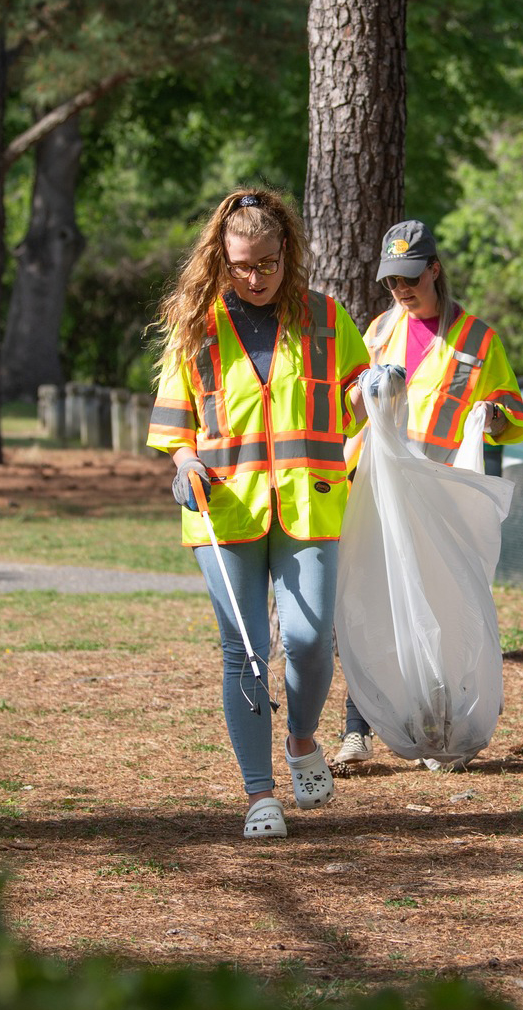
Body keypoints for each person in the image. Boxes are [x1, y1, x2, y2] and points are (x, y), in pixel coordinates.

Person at [145, 187, 372, 839]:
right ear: (221, 257)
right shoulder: (197, 325)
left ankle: (302, 739)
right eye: (242, 265)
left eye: (267, 264)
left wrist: (374, 389)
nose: (255, 277)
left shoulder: (327, 318)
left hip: (311, 502)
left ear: (287, 254)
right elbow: (175, 425)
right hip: (225, 511)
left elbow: (359, 390)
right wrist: (184, 465)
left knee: (305, 638)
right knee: (245, 650)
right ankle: (259, 794)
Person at [332, 219, 523, 771]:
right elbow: (350, 407)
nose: (401, 290)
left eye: (410, 278)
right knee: (376, 603)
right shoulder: (377, 334)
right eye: (392, 282)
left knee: (442, 608)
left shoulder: (477, 340)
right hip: (380, 494)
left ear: (435, 270)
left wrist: (492, 416)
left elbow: (513, 413)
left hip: (440, 498)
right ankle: (358, 729)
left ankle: (439, 730)